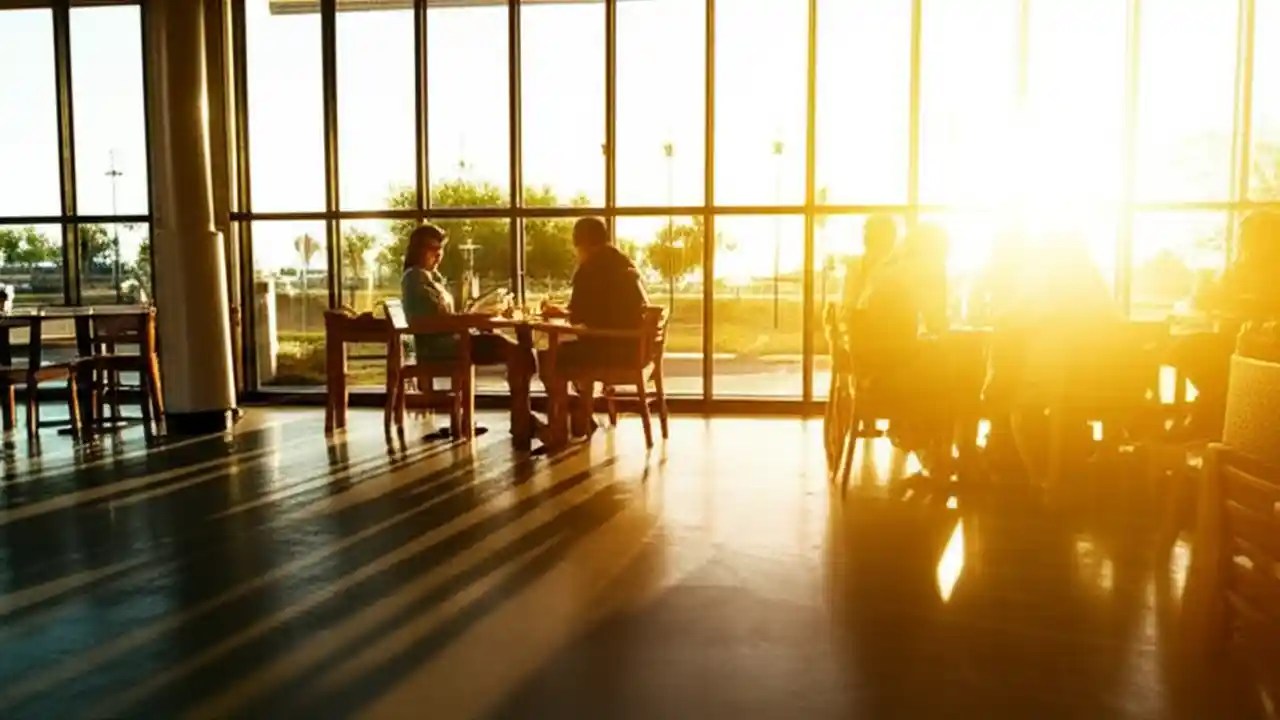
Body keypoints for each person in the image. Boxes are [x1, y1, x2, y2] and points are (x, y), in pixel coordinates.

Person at [400, 223, 532, 435]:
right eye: (433, 250)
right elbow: (421, 322)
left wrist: (470, 319)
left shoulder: (430, 277)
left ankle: (523, 417)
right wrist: (468, 320)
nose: (438, 256)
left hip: (455, 340)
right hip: (444, 347)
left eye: (440, 250)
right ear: (419, 250)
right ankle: (523, 419)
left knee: (518, 352)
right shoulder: (414, 279)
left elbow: (442, 316)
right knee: (518, 353)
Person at [1172, 210, 1280, 438]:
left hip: (1265, 346)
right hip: (1235, 338)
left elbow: (1266, 308)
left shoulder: (1272, 271)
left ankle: (1211, 414)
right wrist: (1206, 296)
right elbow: (1216, 300)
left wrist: (1248, 309)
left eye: (1248, 238)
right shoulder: (1237, 269)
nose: (1242, 243)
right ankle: (1210, 409)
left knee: (1212, 361)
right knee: (1184, 348)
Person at [540, 217, 649, 435]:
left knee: (548, 357)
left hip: (608, 349)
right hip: (634, 348)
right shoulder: (623, 263)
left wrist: (559, 313)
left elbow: (578, 317)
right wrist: (567, 312)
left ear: (581, 243)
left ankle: (562, 425)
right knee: (568, 351)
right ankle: (582, 414)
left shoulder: (590, 269)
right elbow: (601, 310)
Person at [841, 214, 898, 311]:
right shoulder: (855, 267)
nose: (866, 237)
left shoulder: (897, 268)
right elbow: (847, 306)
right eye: (867, 232)